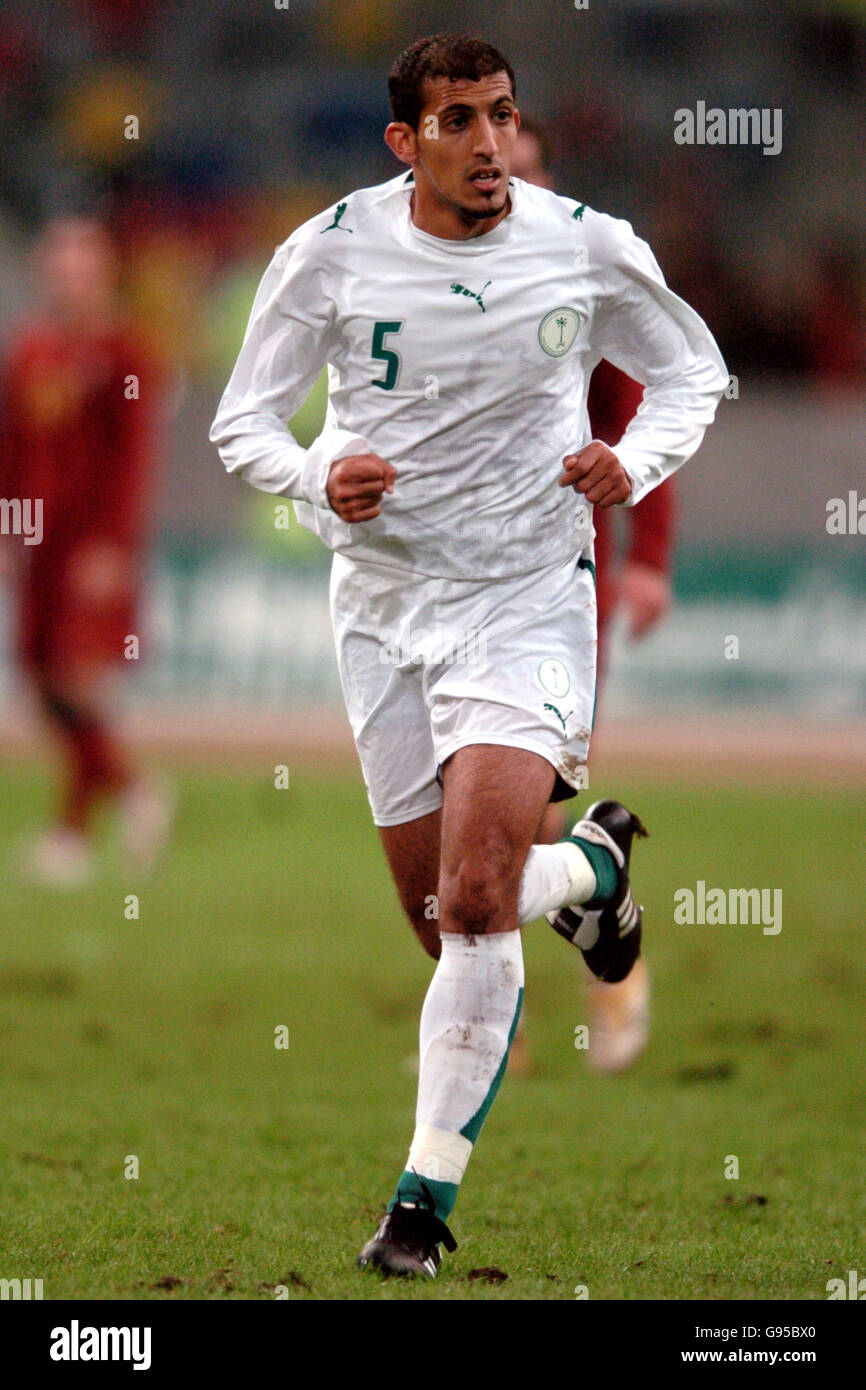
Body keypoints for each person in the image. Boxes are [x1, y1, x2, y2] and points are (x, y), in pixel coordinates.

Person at [211, 34, 727, 1278]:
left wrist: (633, 464)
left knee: (481, 892)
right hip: (382, 610)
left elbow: (690, 373)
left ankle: (420, 1203)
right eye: (458, 123)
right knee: (441, 915)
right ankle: (595, 868)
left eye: (500, 116)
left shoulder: (584, 242)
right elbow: (242, 423)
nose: (489, 143)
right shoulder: (326, 250)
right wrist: (318, 478)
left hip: (526, 593)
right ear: (405, 143)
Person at [512, 117, 678, 1074]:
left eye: (526, 170)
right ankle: (503, 1026)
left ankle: (610, 965)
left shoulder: (580, 285)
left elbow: (649, 419)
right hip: (440, 588)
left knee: (520, 814)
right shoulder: (424, 284)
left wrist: (647, 556)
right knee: (449, 818)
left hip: (557, 583)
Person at [0, 217, 171, 886]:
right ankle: (129, 789)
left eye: (83, 263)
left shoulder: (125, 352)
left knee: (76, 674)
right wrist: (9, 531)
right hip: (38, 542)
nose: (70, 275)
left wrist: (113, 544)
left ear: (104, 272)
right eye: (60, 263)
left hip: (90, 543)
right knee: (39, 680)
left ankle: (75, 831)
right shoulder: (30, 352)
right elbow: (13, 452)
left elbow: (133, 458)